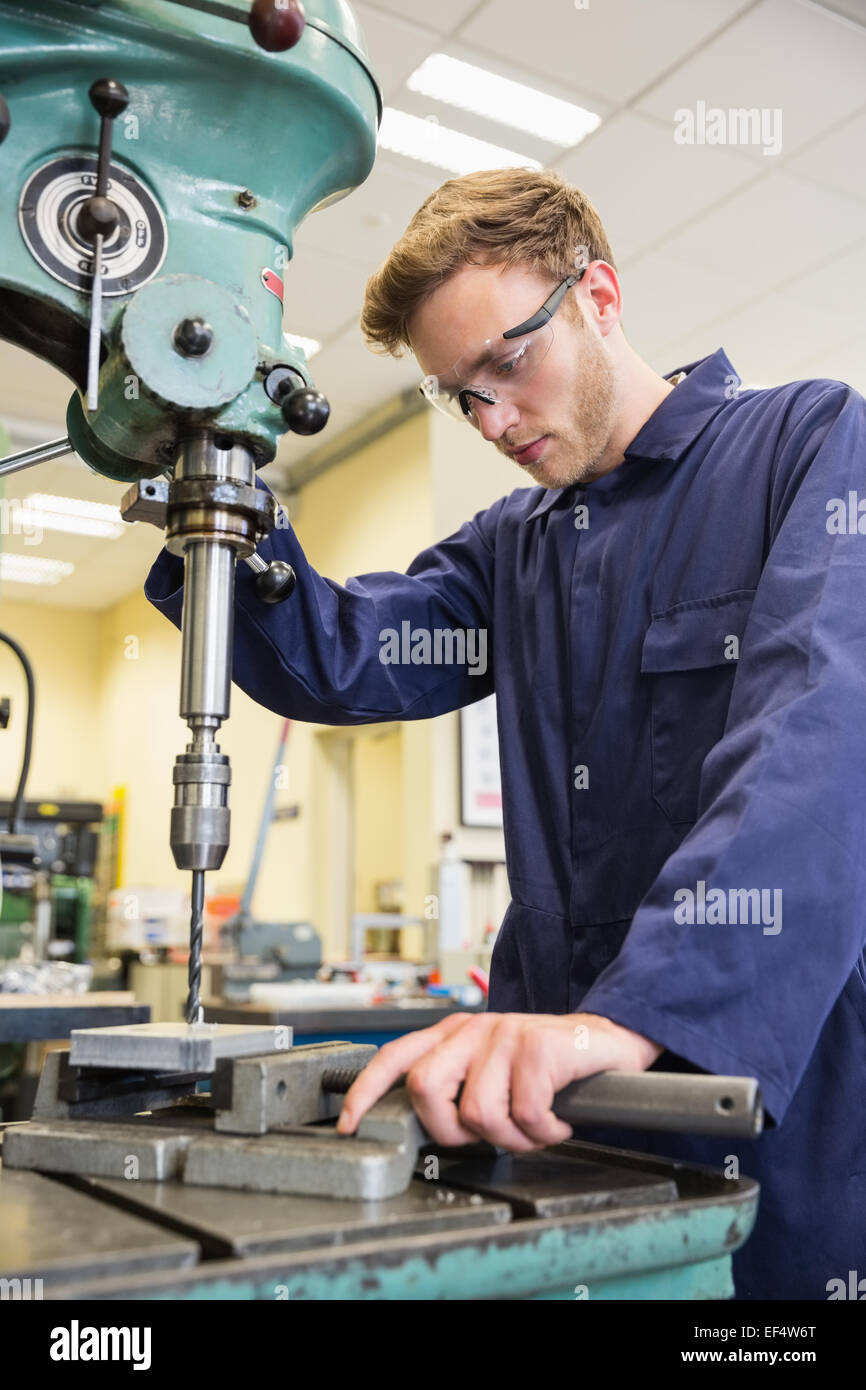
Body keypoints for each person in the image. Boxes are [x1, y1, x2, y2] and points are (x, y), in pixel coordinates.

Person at [145, 168, 866, 1300]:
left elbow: (819, 747)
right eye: (455, 393)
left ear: (599, 297)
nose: (489, 418)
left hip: (771, 1102)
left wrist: (632, 1016)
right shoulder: (514, 545)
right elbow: (346, 655)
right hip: (548, 1111)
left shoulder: (803, 444)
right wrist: (222, 510)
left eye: (504, 364)